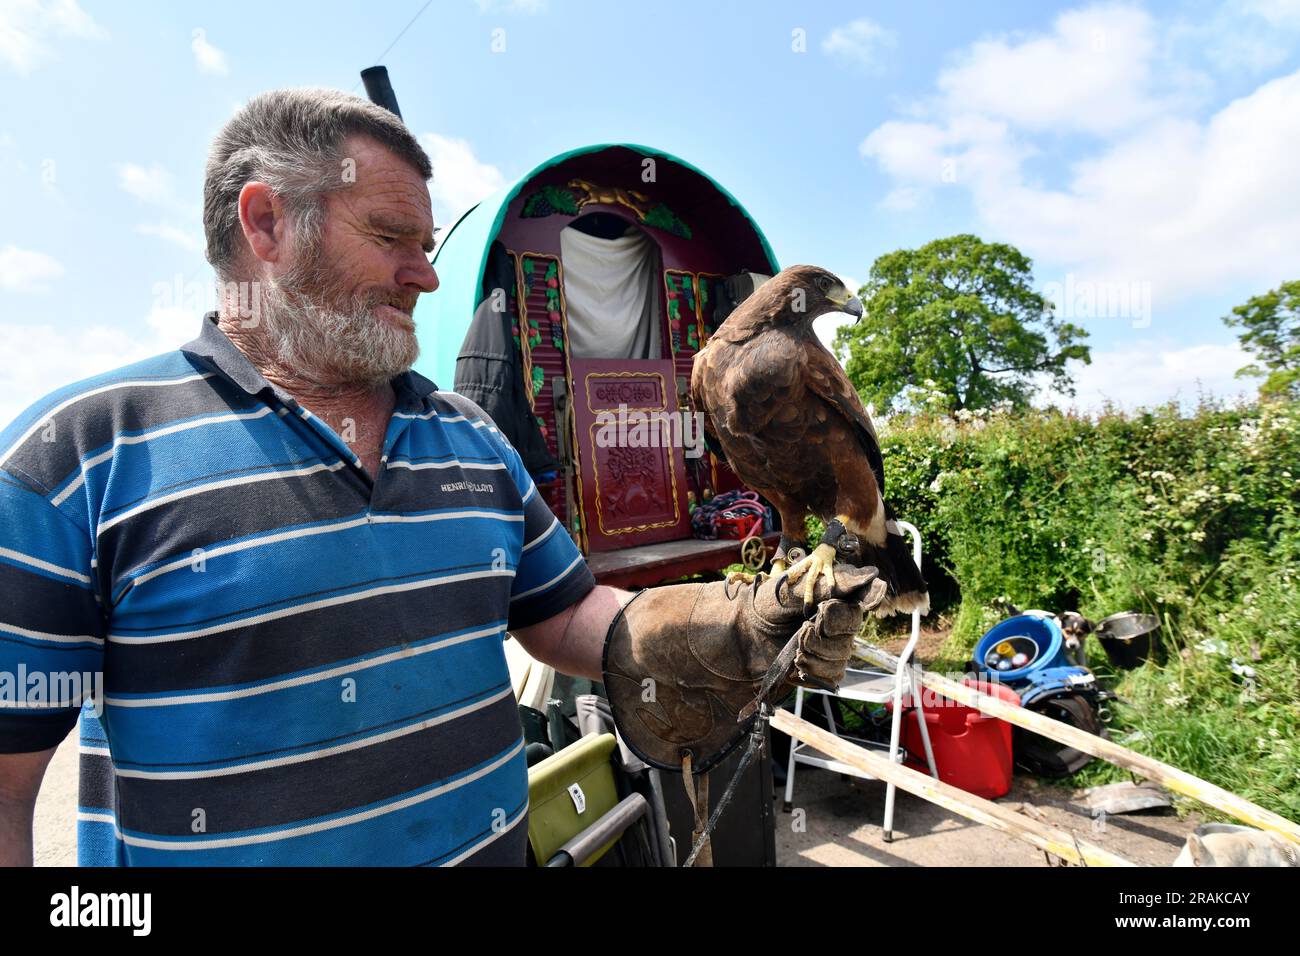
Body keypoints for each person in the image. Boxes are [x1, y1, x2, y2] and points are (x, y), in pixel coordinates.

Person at [0, 88, 876, 866]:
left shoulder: (468, 436)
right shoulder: (78, 455)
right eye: (391, 238)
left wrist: (728, 628)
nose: (424, 273)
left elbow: (562, 611)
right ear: (263, 223)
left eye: (427, 244)